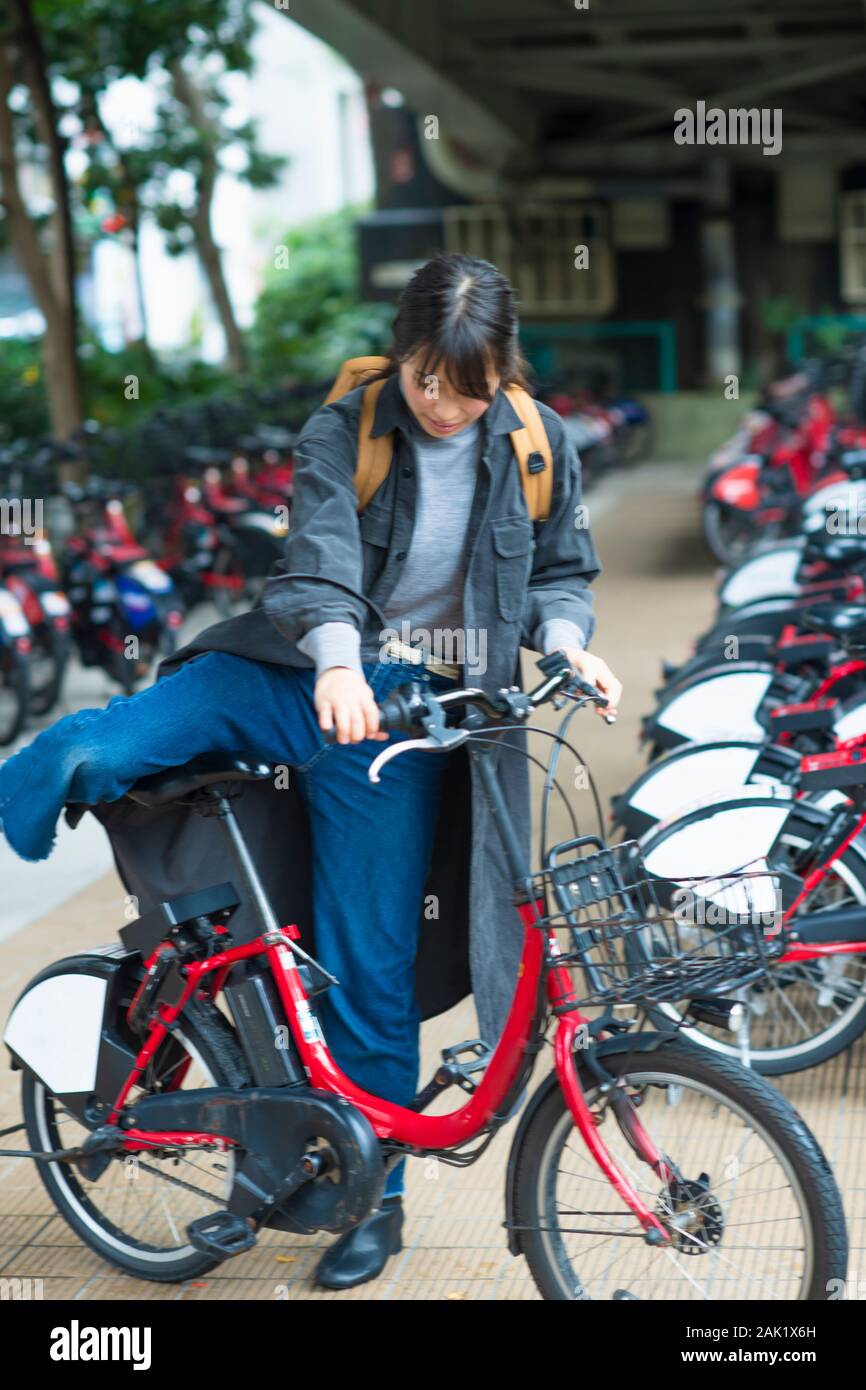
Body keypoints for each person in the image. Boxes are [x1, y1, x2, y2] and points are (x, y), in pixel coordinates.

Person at [0, 253, 621, 1290]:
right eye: (425, 376)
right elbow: (319, 555)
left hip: (407, 717)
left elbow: (562, 566)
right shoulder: (348, 426)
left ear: (499, 371)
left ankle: (369, 1203)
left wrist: (566, 641)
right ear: (404, 349)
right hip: (293, 672)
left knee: (369, 963)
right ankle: (120, 878)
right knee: (97, 749)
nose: (438, 401)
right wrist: (340, 663)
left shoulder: (533, 441)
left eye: (462, 386)